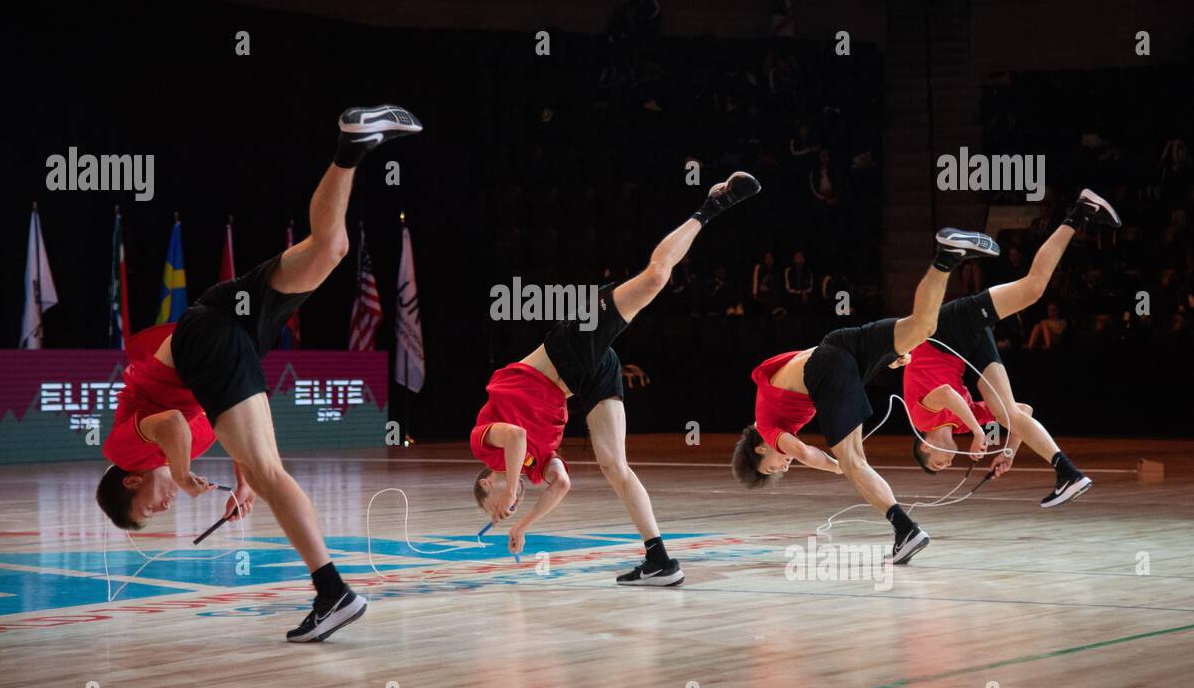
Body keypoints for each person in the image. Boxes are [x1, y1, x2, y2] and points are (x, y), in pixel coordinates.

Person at [96, 105, 422, 643]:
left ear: (130, 483)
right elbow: (213, 424)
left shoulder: (124, 451)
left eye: (147, 509)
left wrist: (181, 473)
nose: (161, 507)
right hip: (225, 319)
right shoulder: (160, 453)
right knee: (330, 248)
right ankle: (351, 147)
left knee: (274, 474)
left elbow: (175, 425)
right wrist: (243, 478)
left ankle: (332, 591)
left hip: (203, 338)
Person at [472, 172, 763, 587]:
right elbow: (562, 484)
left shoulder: (483, 444)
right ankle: (659, 558)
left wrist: (510, 490)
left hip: (566, 348)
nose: (503, 511)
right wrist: (524, 525)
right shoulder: (533, 472)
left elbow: (516, 435)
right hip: (586, 377)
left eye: (495, 508)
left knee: (655, 277)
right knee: (615, 465)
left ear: (487, 482)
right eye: (501, 515)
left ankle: (712, 204)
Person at [732, 228, 1001, 565]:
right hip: (841, 345)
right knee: (922, 328)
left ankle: (906, 531)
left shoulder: (769, 428)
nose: (785, 463)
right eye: (782, 468)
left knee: (853, 460)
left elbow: (803, 451)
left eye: (775, 464)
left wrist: (837, 468)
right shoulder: (771, 393)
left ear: (759, 448)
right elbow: (826, 359)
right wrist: (884, 358)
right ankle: (946, 257)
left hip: (826, 365)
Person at [906, 189, 1121, 508]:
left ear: (925, 446)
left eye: (937, 462)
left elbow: (948, 395)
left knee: (1034, 288)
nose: (947, 463)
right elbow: (1023, 412)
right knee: (1007, 412)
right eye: (944, 468)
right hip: (968, 350)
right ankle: (1067, 472)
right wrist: (1007, 451)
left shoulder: (922, 419)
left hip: (945, 333)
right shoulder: (962, 424)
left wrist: (981, 434)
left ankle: (1081, 211)